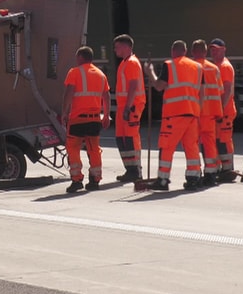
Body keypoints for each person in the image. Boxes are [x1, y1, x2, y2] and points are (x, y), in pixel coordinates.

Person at [144, 40, 203, 191]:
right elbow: (200, 92)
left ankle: (163, 180)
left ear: (173, 51)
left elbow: (158, 86)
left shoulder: (169, 65)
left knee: (167, 147)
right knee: (191, 147)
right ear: (185, 51)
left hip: (174, 114)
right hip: (192, 114)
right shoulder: (197, 67)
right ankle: (194, 179)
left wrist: (150, 72)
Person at [61, 46, 111, 193]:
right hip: (95, 119)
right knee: (94, 150)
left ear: (81, 57)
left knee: (73, 149)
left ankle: (77, 180)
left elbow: (69, 93)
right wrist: (106, 115)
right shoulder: (101, 74)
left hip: (77, 119)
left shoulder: (74, 72)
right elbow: (106, 96)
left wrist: (64, 112)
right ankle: (95, 180)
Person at [112, 34, 147, 182]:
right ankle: (130, 169)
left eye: (118, 47)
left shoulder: (132, 63)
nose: (115, 50)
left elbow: (133, 86)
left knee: (131, 138)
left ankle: (136, 170)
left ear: (127, 47)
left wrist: (127, 107)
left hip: (131, 106)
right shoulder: (125, 63)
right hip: (124, 107)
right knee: (122, 139)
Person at [191, 39, 222, 186]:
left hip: (196, 112)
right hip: (210, 113)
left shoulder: (191, 67)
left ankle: (195, 174)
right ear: (205, 52)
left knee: (193, 144)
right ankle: (211, 174)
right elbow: (220, 91)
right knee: (209, 143)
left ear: (192, 52)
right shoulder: (214, 68)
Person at [209, 38, 237, 182]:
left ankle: (227, 170)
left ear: (223, 49)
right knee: (218, 140)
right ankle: (222, 169)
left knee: (224, 140)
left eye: (216, 49)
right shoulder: (217, 66)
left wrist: (219, 110)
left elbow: (227, 91)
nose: (213, 52)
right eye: (212, 49)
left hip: (224, 112)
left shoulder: (225, 66)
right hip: (220, 111)